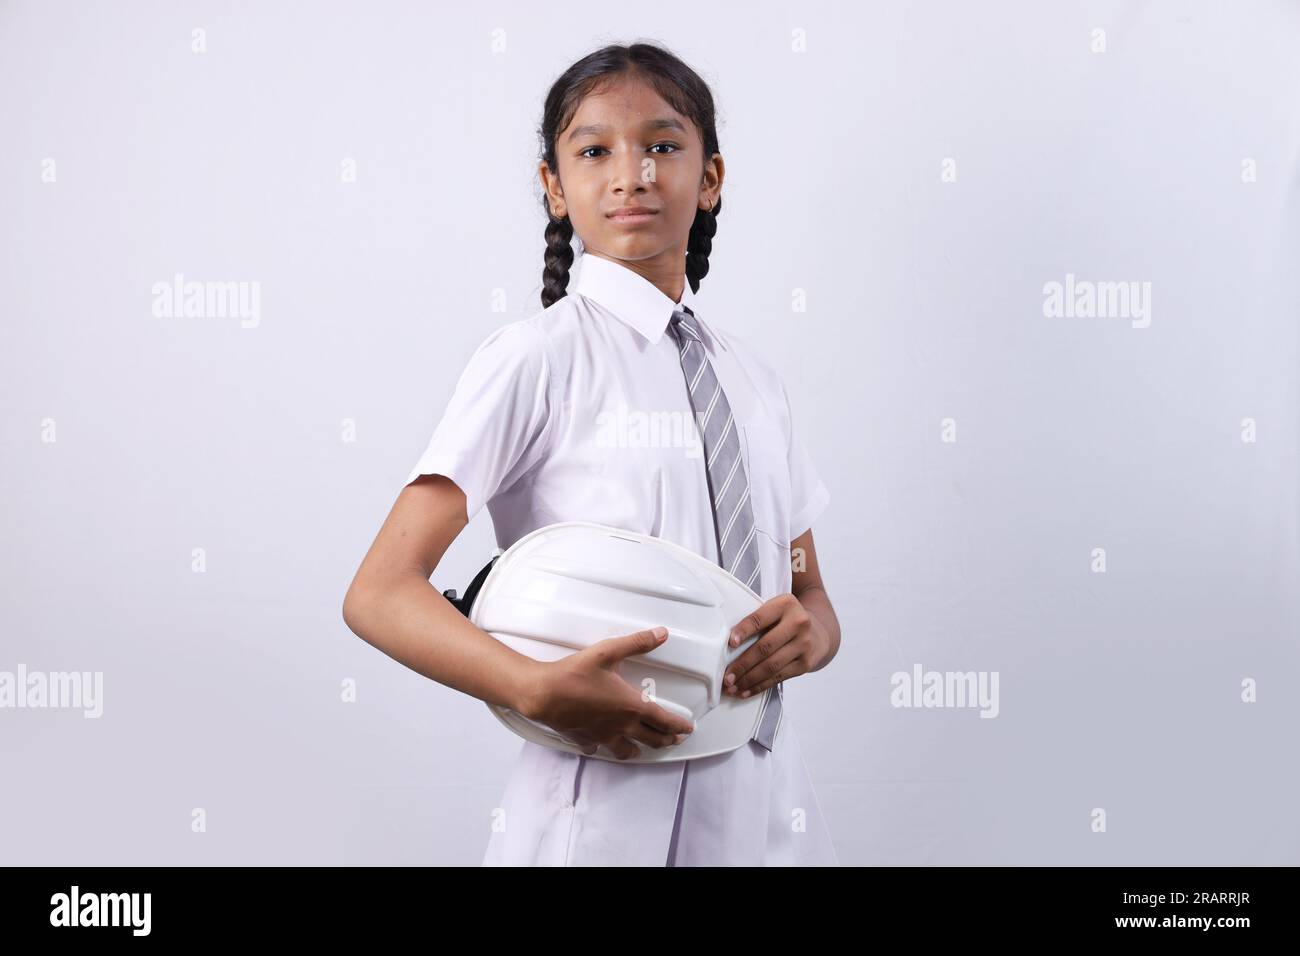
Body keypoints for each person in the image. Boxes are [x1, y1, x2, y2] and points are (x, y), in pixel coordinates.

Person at [343, 42, 841, 866]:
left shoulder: (755, 383)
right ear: (554, 186)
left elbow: (810, 589)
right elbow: (379, 593)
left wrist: (813, 637)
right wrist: (527, 686)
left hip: (767, 806)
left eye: (663, 146)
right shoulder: (536, 360)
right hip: (606, 804)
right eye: (595, 150)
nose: (633, 174)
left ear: (710, 178)